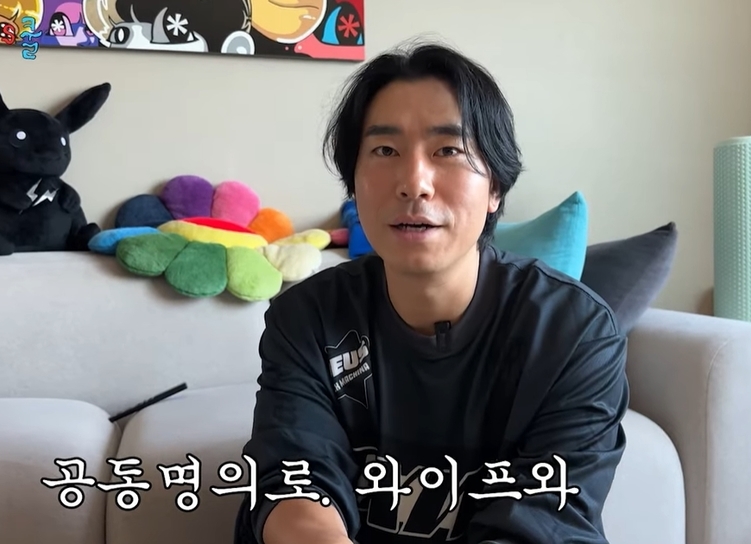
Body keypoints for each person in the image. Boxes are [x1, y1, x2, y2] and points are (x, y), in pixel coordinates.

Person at [233, 40, 630, 544]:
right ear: (354, 184)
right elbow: (295, 484)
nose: (414, 183)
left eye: (448, 150)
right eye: (385, 151)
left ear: (495, 187)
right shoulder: (307, 317)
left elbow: (545, 521)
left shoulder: (574, 332)